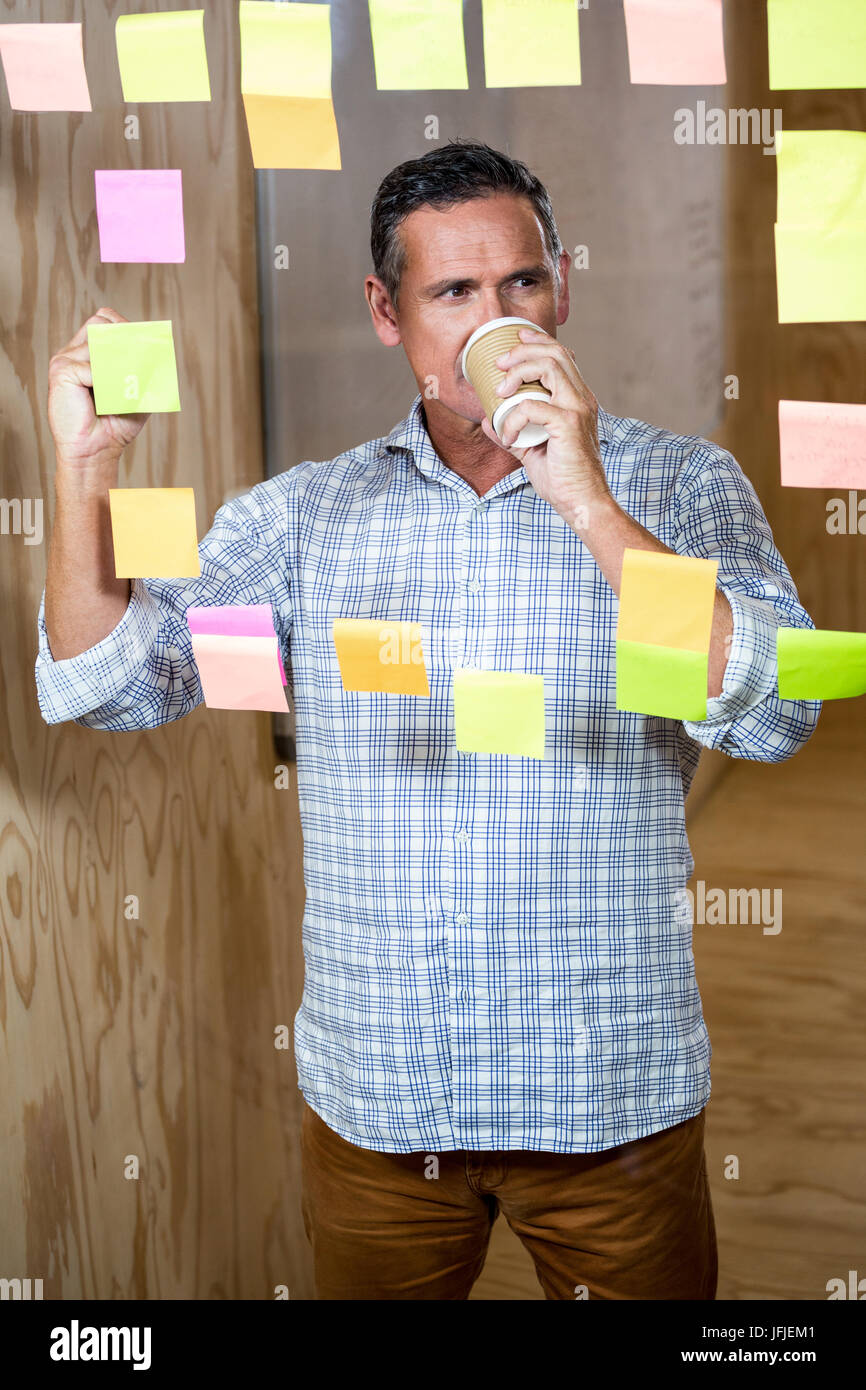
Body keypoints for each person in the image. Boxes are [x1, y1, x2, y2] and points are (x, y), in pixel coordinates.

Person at [36, 140, 820, 1300]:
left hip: (606, 1097)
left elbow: (772, 710)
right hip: (380, 1107)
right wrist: (82, 468)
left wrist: (586, 500)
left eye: (522, 284)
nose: (495, 317)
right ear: (385, 314)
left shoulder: (681, 486)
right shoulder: (307, 517)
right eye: (452, 293)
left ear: (562, 290)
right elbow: (111, 680)